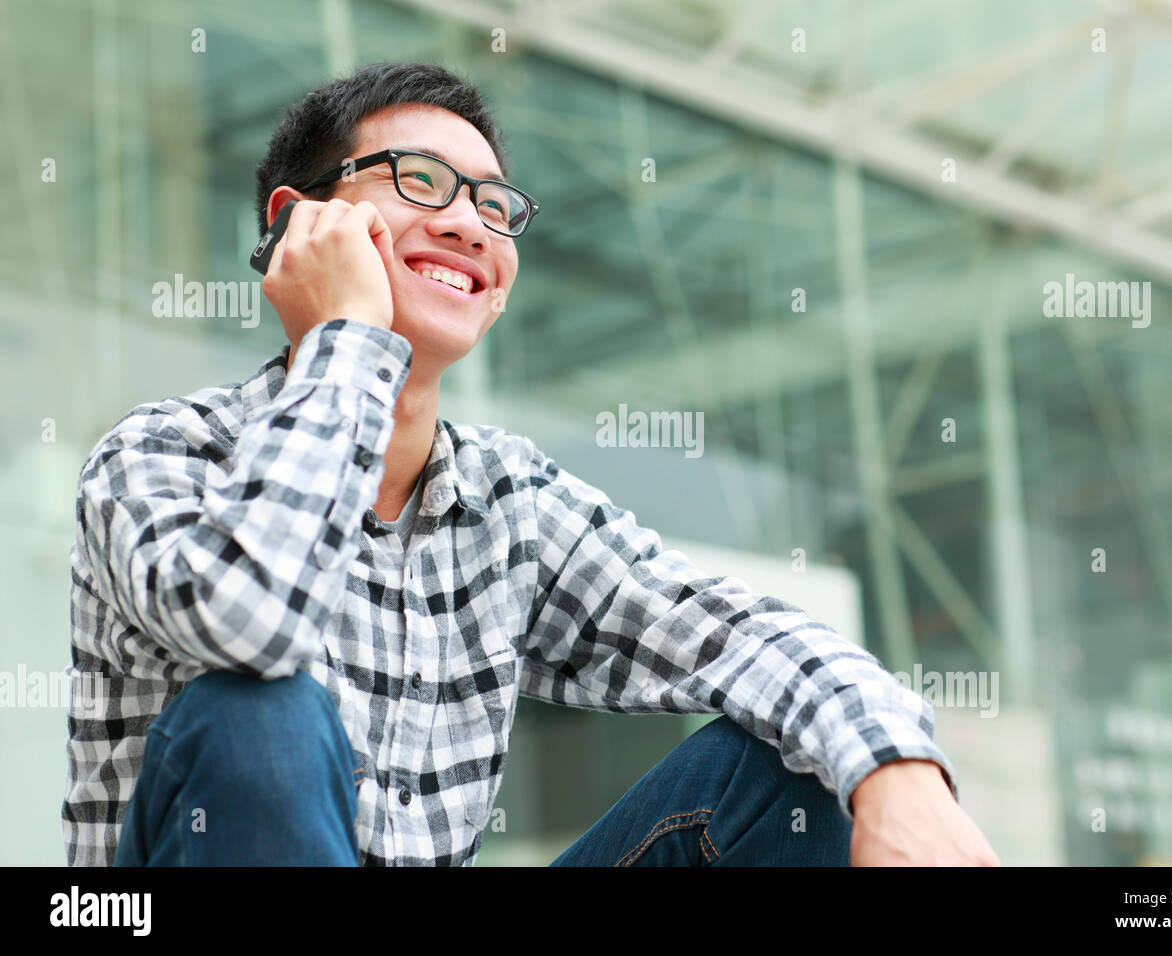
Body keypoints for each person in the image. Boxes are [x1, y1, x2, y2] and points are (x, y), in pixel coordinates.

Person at [64, 61, 999, 867]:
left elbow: (745, 636)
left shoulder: (511, 506)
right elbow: (251, 627)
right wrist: (347, 339)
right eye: (422, 181)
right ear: (300, 220)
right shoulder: (161, 455)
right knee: (259, 714)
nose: (471, 226)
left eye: (494, 205)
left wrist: (896, 772)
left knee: (790, 764)